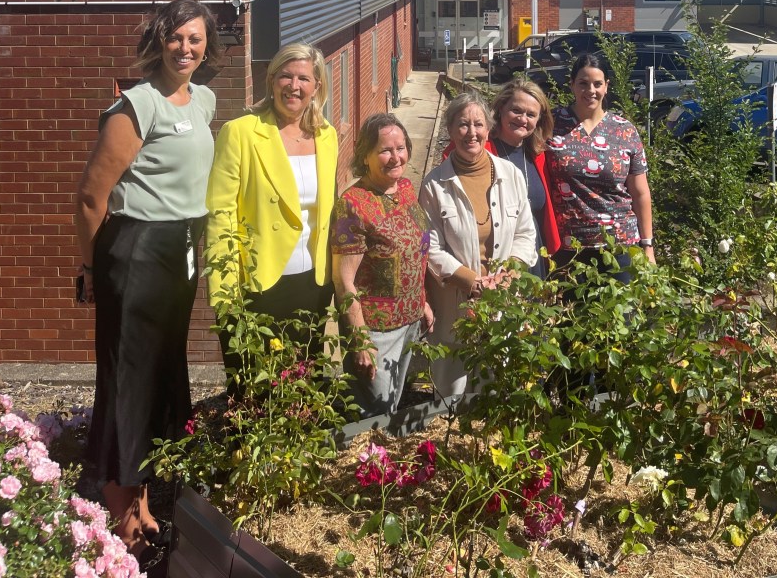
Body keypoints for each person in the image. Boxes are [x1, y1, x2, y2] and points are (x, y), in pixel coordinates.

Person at [75, 0, 221, 567]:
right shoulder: (136, 105)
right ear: (159, 40)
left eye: (196, 39)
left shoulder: (203, 100)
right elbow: (91, 196)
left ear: (207, 46)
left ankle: (141, 501)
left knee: (161, 370)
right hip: (135, 252)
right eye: (177, 38)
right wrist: (91, 269)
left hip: (180, 249)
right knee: (128, 380)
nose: (186, 48)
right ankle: (119, 512)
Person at [205, 43, 337, 371]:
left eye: (304, 78)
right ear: (271, 80)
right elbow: (221, 215)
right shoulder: (240, 133)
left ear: (317, 86)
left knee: (304, 374)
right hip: (260, 280)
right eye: (286, 76)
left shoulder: (327, 135)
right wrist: (224, 294)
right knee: (256, 378)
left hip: (315, 281)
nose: (294, 86)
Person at [420, 91, 537, 401]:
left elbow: (526, 235)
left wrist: (507, 275)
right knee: (450, 399)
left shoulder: (510, 174)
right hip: (455, 305)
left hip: (503, 302)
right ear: (449, 129)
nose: (471, 133)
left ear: (489, 129)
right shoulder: (434, 184)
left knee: (497, 393)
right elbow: (428, 246)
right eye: (462, 124)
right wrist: (471, 281)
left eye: (478, 124)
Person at [331, 113, 434, 416]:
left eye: (400, 148)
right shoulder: (353, 204)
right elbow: (343, 281)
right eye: (385, 150)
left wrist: (422, 300)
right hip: (376, 329)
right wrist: (360, 339)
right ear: (365, 156)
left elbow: (415, 251)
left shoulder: (405, 189)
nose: (395, 157)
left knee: (393, 401)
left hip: (411, 319)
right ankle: (364, 461)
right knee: (374, 409)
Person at [543, 53, 655, 280]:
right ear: (572, 85)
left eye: (597, 84)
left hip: (620, 245)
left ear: (606, 87)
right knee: (570, 315)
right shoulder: (551, 124)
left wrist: (648, 246)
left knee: (622, 314)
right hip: (569, 247)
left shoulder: (624, 130)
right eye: (583, 83)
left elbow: (640, 192)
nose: (590, 90)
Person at [485, 79, 560, 275]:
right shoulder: (481, 151)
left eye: (531, 114)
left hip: (532, 256)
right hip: (493, 259)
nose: (523, 119)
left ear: (538, 121)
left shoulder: (539, 156)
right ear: (501, 108)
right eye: (516, 110)